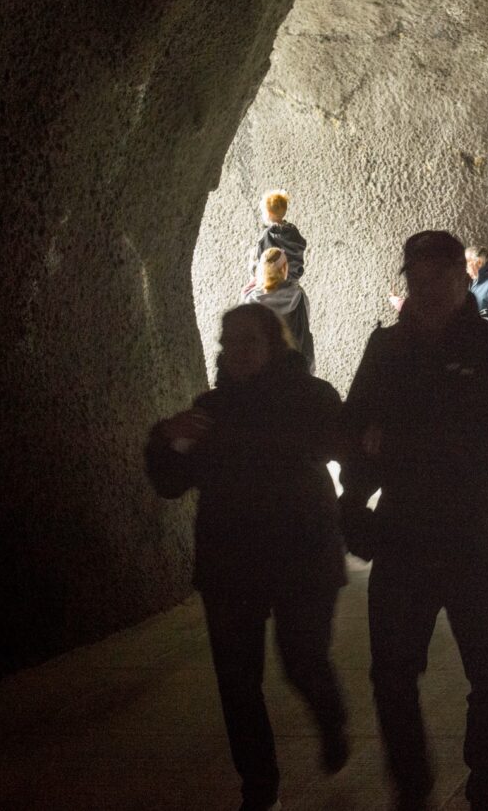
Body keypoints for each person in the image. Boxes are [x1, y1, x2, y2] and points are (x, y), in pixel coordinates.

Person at [339, 231, 488, 811]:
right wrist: (354, 502)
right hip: (404, 535)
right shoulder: (386, 349)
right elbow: (356, 431)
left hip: (479, 542)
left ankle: (486, 777)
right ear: (406, 281)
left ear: (465, 279)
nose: (427, 290)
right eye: (418, 279)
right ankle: (412, 785)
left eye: (439, 278)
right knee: (390, 676)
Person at [145, 303, 349, 811]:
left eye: (247, 341)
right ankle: (259, 788)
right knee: (237, 682)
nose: (236, 351)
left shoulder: (310, 397)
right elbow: (171, 483)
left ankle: (330, 717)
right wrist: (166, 440)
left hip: (302, 556)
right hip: (231, 564)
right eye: (228, 341)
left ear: (273, 344)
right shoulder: (209, 410)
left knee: (303, 662)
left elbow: (340, 444)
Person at [244, 247, 314, 373]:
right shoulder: (298, 296)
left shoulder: (250, 299)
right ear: (284, 268)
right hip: (292, 368)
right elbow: (304, 331)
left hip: (260, 371)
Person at [247, 189, 308, 287]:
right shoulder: (293, 231)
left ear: (269, 214)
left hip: (273, 282)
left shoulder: (268, 235)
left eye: (263, 212)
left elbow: (261, 258)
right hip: (292, 281)